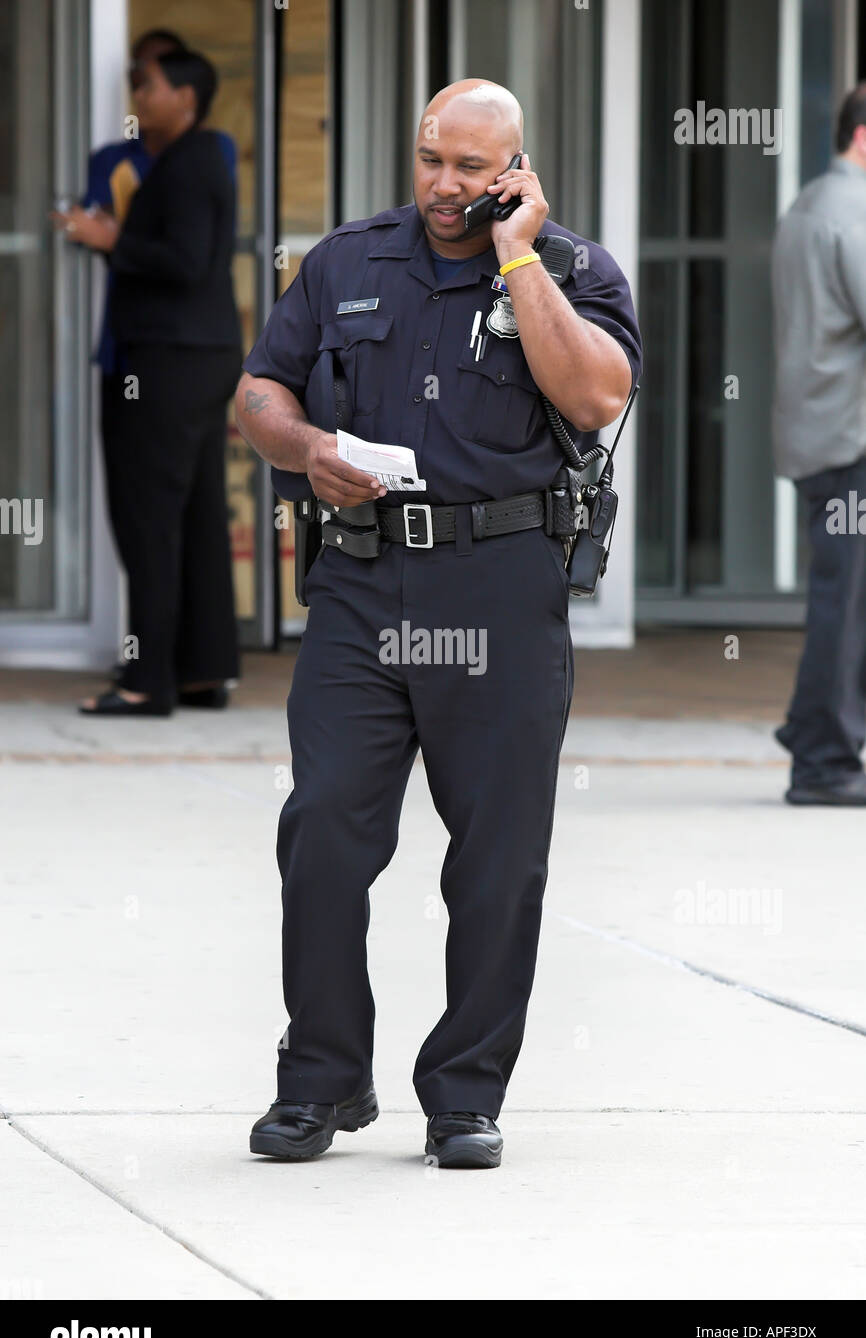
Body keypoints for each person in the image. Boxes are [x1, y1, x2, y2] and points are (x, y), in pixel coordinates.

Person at [237, 79, 641, 1167]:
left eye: (471, 168)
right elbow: (259, 392)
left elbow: (597, 396)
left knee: (498, 860)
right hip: (363, 588)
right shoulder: (345, 261)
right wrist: (303, 450)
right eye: (432, 161)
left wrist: (518, 256)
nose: (445, 187)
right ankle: (320, 1081)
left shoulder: (571, 272)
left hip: (501, 587)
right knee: (322, 827)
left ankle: (464, 1095)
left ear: (512, 169)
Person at [56, 30, 238, 698]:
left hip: (167, 365)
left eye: (148, 85)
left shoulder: (191, 161)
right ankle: (200, 671)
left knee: (148, 519)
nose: (138, 94)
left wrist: (111, 238)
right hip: (194, 358)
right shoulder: (188, 159)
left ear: (184, 97)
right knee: (192, 516)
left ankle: (145, 679)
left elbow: (185, 264)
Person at [772, 83, 866, 805]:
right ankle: (825, 765)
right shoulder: (854, 209)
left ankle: (812, 735)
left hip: (819, 433)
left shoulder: (809, 202)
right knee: (847, 602)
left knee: (842, 596)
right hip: (849, 439)